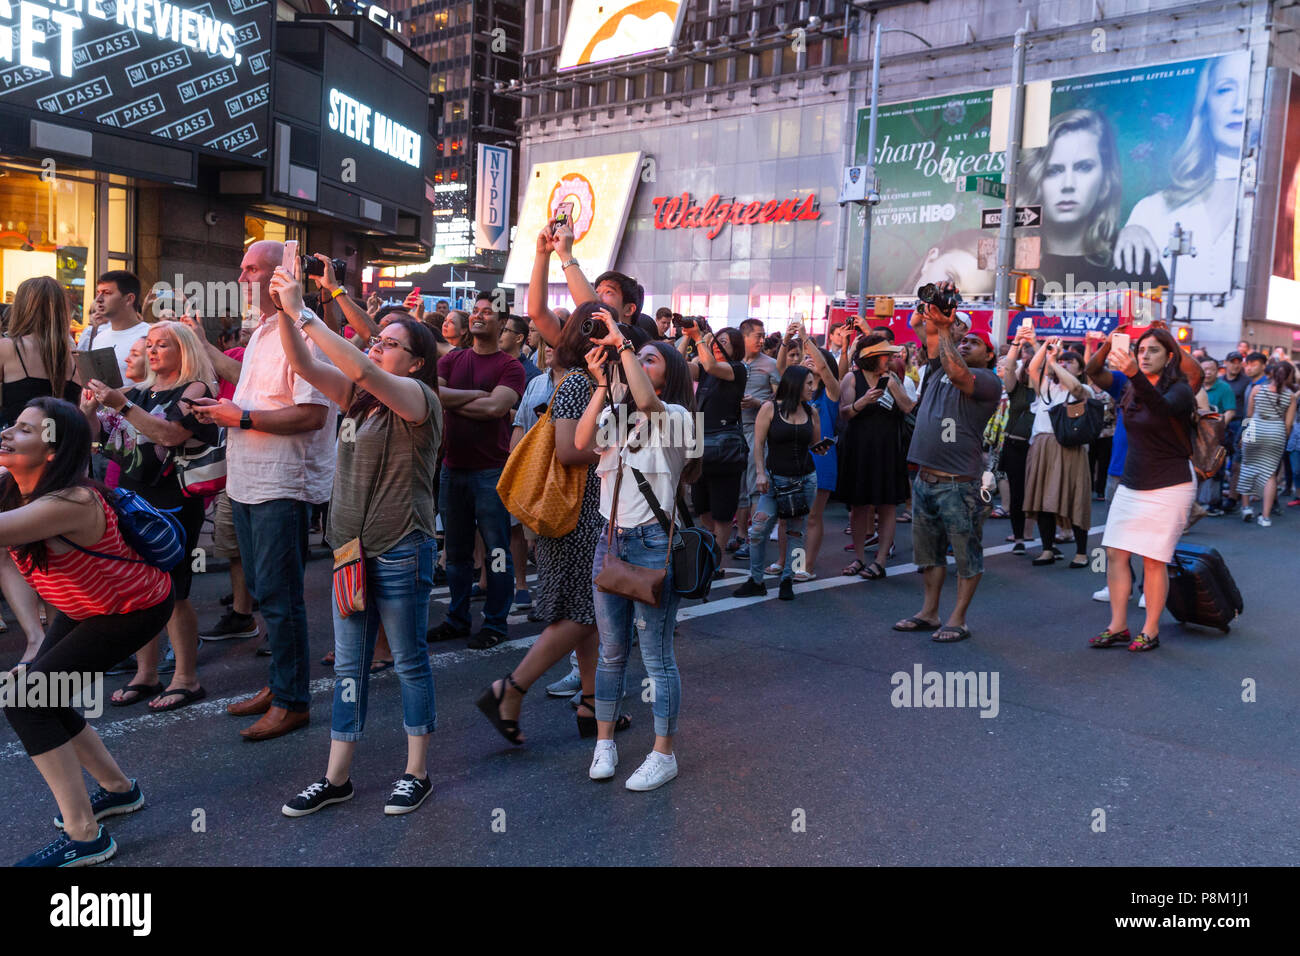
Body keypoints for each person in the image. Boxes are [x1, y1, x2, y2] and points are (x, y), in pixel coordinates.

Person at [265, 267, 444, 816]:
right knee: (349, 669)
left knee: (409, 661)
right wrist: (281, 308)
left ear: (414, 363)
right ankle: (336, 777)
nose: (379, 345)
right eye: (379, 338)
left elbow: (361, 366)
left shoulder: (418, 399)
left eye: (393, 343)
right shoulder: (360, 399)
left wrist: (305, 310)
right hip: (350, 551)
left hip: (400, 546)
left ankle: (417, 773)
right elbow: (302, 363)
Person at [2, 397, 175, 866]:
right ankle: (119, 790)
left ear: (53, 450)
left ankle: (86, 838)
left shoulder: (71, 501)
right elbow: (8, 559)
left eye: (22, 429)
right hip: (86, 607)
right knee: (43, 696)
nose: (6, 433)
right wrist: (35, 635)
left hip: (132, 609)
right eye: (11, 425)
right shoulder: (12, 489)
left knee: (27, 703)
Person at [190, 240, 338, 742]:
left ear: (279, 275)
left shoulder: (304, 332)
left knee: (280, 595)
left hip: (281, 482)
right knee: (263, 591)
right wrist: (223, 406)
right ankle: (279, 687)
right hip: (248, 480)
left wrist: (243, 416)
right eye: (241, 265)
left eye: (250, 267)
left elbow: (312, 413)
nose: (240, 276)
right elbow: (250, 390)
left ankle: (294, 700)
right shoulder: (263, 332)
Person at [475, 302, 632, 746]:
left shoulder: (584, 382)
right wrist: (615, 450)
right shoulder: (581, 384)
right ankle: (511, 688)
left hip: (580, 511)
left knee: (583, 610)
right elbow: (567, 450)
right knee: (586, 614)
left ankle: (590, 703)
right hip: (575, 513)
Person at [575, 329, 698, 791]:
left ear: (670, 374)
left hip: (653, 544)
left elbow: (649, 405)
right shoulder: (616, 414)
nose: (636, 363)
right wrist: (603, 386)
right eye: (635, 356)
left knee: (657, 658)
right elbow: (580, 440)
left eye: (650, 359)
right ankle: (603, 742)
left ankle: (663, 754)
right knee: (610, 654)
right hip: (610, 541)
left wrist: (624, 345)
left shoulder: (680, 417)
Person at [81, 322, 220, 712]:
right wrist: (90, 408)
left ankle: (187, 678)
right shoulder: (139, 390)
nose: (154, 351)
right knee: (139, 589)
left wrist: (121, 405)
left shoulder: (196, 389)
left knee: (175, 591)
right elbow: (97, 437)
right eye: (151, 345)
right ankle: (146, 673)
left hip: (173, 497)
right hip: (130, 493)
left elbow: (170, 435)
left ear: (185, 350)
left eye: (164, 345)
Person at [892, 284, 1002, 643]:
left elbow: (959, 373)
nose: (966, 343)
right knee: (929, 554)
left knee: (967, 555)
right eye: (964, 340)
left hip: (959, 482)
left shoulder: (987, 381)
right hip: (925, 479)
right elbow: (930, 339)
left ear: (989, 356)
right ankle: (929, 611)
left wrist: (946, 331)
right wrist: (935, 317)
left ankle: (958, 618)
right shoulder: (939, 367)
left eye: (975, 343)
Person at [427, 292, 525, 648]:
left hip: (491, 473)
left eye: (488, 312)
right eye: (476, 311)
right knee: (456, 554)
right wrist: (477, 396)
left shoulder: (510, 367)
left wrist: (456, 399)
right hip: (453, 468)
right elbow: (433, 396)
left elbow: (495, 409)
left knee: (497, 551)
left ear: (500, 323)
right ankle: (456, 619)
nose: (479, 316)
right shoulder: (454, 359)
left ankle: (496, 624)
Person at [1090, 328, 1197, 651]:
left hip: (1170, 483)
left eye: (1153, 350)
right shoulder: (1126, 384)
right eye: (1141, 350)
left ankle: (1150, 630)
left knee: (1153, 559)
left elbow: (1161, 408)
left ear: (1169, 358)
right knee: (1116, 552)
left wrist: (1134, 374)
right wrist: (1109, 343)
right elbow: (1093, 372)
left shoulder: (1180, 389)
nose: (1145, 355)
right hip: (1132, 481)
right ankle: (1118, 625)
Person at [1112, 52, 1249, 293]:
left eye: (1249, 92)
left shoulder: (1283, 209)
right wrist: (1127, 233)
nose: (1238, 105)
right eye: (1225, 90)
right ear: (1205, 105)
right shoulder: (1152, 209)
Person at [0, 277, 85, 665]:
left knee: (7, 551)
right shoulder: (73, 358)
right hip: (60, 462)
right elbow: (87, 422)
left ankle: (35, 638)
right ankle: (55, 638)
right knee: (52, 550)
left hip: (12, 460)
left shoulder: (7, 348)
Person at [1022, 110, 1169, 290]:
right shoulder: (1009, 260)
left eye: (1084, 167)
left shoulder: (1133, 259)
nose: (1068, 184)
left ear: (1106, 181)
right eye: (1053, 171)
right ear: (1036, 179)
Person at [734, 364, 823, 600]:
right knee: (758, 530)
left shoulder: (811, 411)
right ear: (796, 385)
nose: (813, 388)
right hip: (774, 481)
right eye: (809, 384)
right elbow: (758, 444)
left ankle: (788, 580)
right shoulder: (769, 408)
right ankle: (756, 580)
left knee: (797, 532)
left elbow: (815, 444)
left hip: (805, 480)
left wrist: (822, 447)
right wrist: (760, 473)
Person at [838, 334, 914, 579]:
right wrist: (862, 402)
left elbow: (907, 407)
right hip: (859, 448)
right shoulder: (852, 378)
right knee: (859, 506)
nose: (890, 358)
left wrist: (892, 386)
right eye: (885, 355)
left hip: (888, 449)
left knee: (887, 505)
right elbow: (844, 413)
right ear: (870, 357)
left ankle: (880, 560)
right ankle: (859, 558)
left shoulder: (891, 378)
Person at [1024, 337, 1097, 567]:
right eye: (1062, 361)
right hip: (1042, 445)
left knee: (1074, 497)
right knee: (1042, 499)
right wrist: (1046, 350)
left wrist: (1055, 364)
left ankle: (1082, 552)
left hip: (1069, 449)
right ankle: (1047, 549)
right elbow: (1032, 369)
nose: (1064, 364)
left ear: (1080, 368)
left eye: (1069, 362)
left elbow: (1074, 387)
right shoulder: (1047, 386)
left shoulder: (1084, 389)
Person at [776, 324, 840, 580]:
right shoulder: (797, 396)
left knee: (811, 517)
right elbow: (781, 369)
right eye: (805, 359)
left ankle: (806, 566)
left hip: (821, 461)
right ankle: (784, 561)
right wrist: (786, 340)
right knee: (787, 517)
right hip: (792, 459)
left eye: (813, 360)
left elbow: (824, 369)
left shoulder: (830, 395)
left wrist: (806, 340)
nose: (809, 362)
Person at [679, 323, 747, 553]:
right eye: (716, 340)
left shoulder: (737, 369)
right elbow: (678, 366)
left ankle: (716, 559)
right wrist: (688, 337)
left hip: (724, 451)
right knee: (701, 506)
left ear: (736, 348)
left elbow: (710, 364)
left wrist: (700, 337)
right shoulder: (705, 370)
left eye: (724, 341)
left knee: (723, 510)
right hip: (701, 447)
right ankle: (711, 548)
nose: (717, 344)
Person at [734, 318, 780, 561]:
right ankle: (741, 536)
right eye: (757, 336)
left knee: (754, 488)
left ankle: (753, 538)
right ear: (744, 337)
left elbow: (780, 403)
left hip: (757, 432)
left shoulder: (772, 365)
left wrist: (758, 403)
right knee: (738, 488)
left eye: (763, 336)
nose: (762, 340)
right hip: (733, 431)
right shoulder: (732, 364)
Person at [1237, 361, 1297, 526]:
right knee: (1270, 475)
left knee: (1247, 467)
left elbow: (1248, 415)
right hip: (1276, 432)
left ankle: (1246, 507)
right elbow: (1289, 424)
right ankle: (1265, 517)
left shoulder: (1257, 389)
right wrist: (1282, 438)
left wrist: (1244, 434)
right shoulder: (1290, 396)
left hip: (1255, 429)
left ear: (1271, 373)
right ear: (1290, 376)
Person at [997, 328, 1038, 554]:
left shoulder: (1046, 390)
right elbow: (1009, 366)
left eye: (1036, 367)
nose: (1032, 371)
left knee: (1035, 491)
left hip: (1038, 447)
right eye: (1029, 367)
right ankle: (1020, 537)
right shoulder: (1017, 390)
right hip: (1015, 444)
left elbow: (1050, 367)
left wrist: (1035, 342)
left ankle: (1033, 534)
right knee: (1017, 492)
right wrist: (1016, 343)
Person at [76, 271, 152, 381]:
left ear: (129, 299)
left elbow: (159, 384)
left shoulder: (149, 336)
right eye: (98, 293)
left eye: (107, 293)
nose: (99, 299)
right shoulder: (98, 338)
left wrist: (118, 396)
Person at [499, 314, 542, 384]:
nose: (498, 333)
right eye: (498, 329)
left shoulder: (533, 376)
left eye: (504, 330)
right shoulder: (490, 366)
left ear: (519, 338)